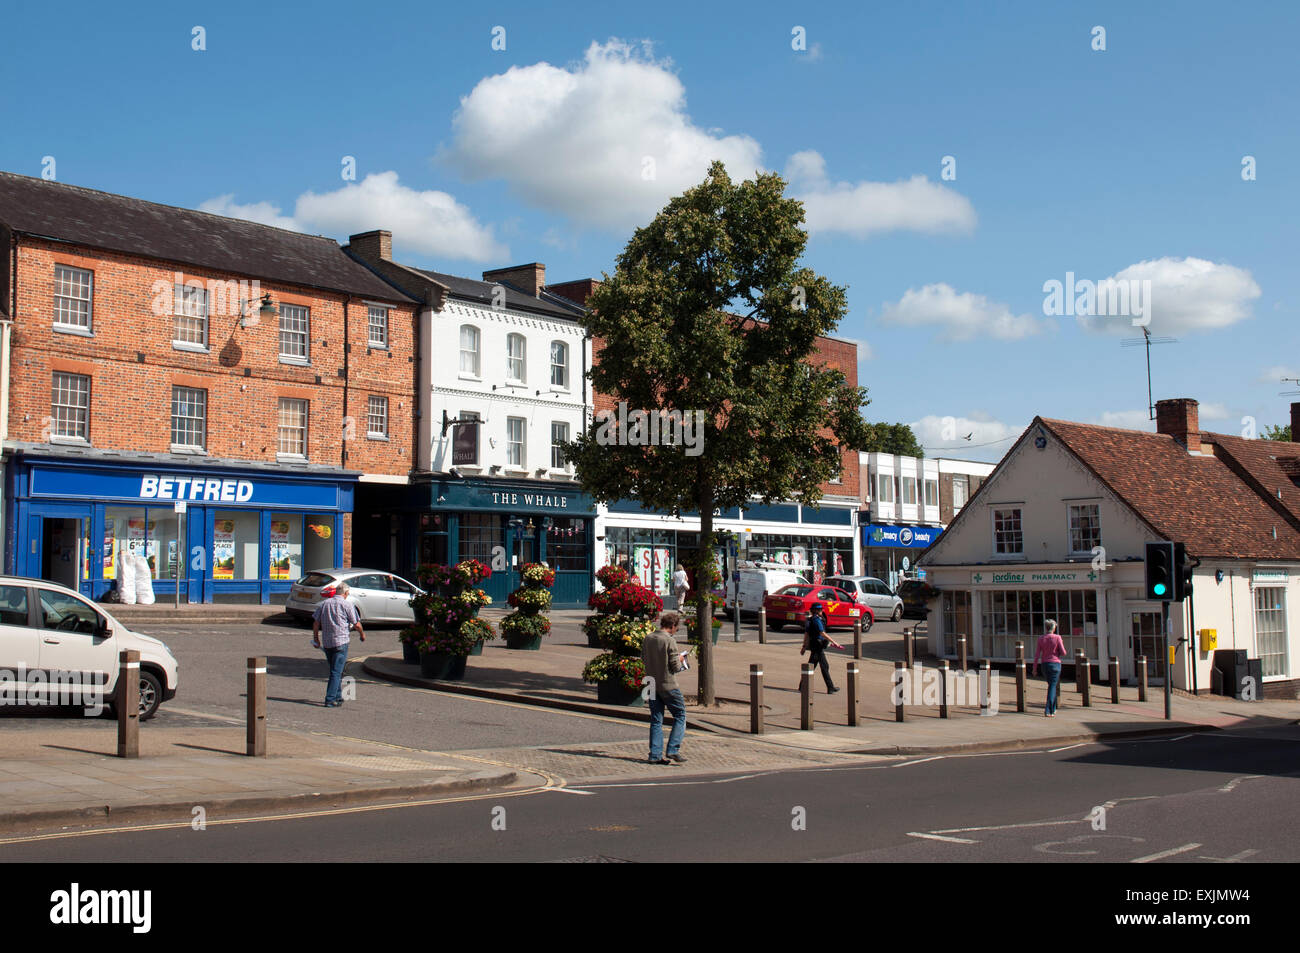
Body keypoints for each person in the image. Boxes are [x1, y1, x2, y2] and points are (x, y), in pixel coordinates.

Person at [641, 611, 688, 764]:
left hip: (650, 683)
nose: (676, 631)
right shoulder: (669, 641)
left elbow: (643, 658)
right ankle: (673, 749)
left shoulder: (648, 638)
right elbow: (675, 666)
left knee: (656, 719)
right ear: (672, 626)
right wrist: (681, 659)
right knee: (680, 715)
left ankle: (654, 755)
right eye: (676, 628)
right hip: (668, 684)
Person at [312, 583, 365, 708]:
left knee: (335, 670)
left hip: (328, 643)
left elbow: (316, 623)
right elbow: (356, 624)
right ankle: (330, 699)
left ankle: (338, 696)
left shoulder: (324, 604)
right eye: (348, 593)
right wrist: (362, 635)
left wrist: (316, 639)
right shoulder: (347, 604)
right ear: (345, 593)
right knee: (336, 672)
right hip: (341, 643)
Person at [801, 602, 844, 693]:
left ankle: (803, 686)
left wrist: (804, 646)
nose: (822, 611)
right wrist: (834, 642)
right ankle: (830, 687)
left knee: (813, 665)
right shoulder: (816, 620)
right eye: (820, 609)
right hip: (818, 645)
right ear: (816, 611)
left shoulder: (810, 619)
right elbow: (822, 633)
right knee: (822, 666)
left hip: (815, 645)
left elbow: (807, 634)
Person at [1033, 618, 1067, 717]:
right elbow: (1064, 652)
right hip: (1055, 664)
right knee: (1052, 686)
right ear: (1053, 628)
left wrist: (1034, 668)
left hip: (1044, 664)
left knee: (1052, 685)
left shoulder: (1041, 638)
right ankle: (1049, 710)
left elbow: (1037, 655)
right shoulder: (1057, 637)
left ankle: (1054, 707)